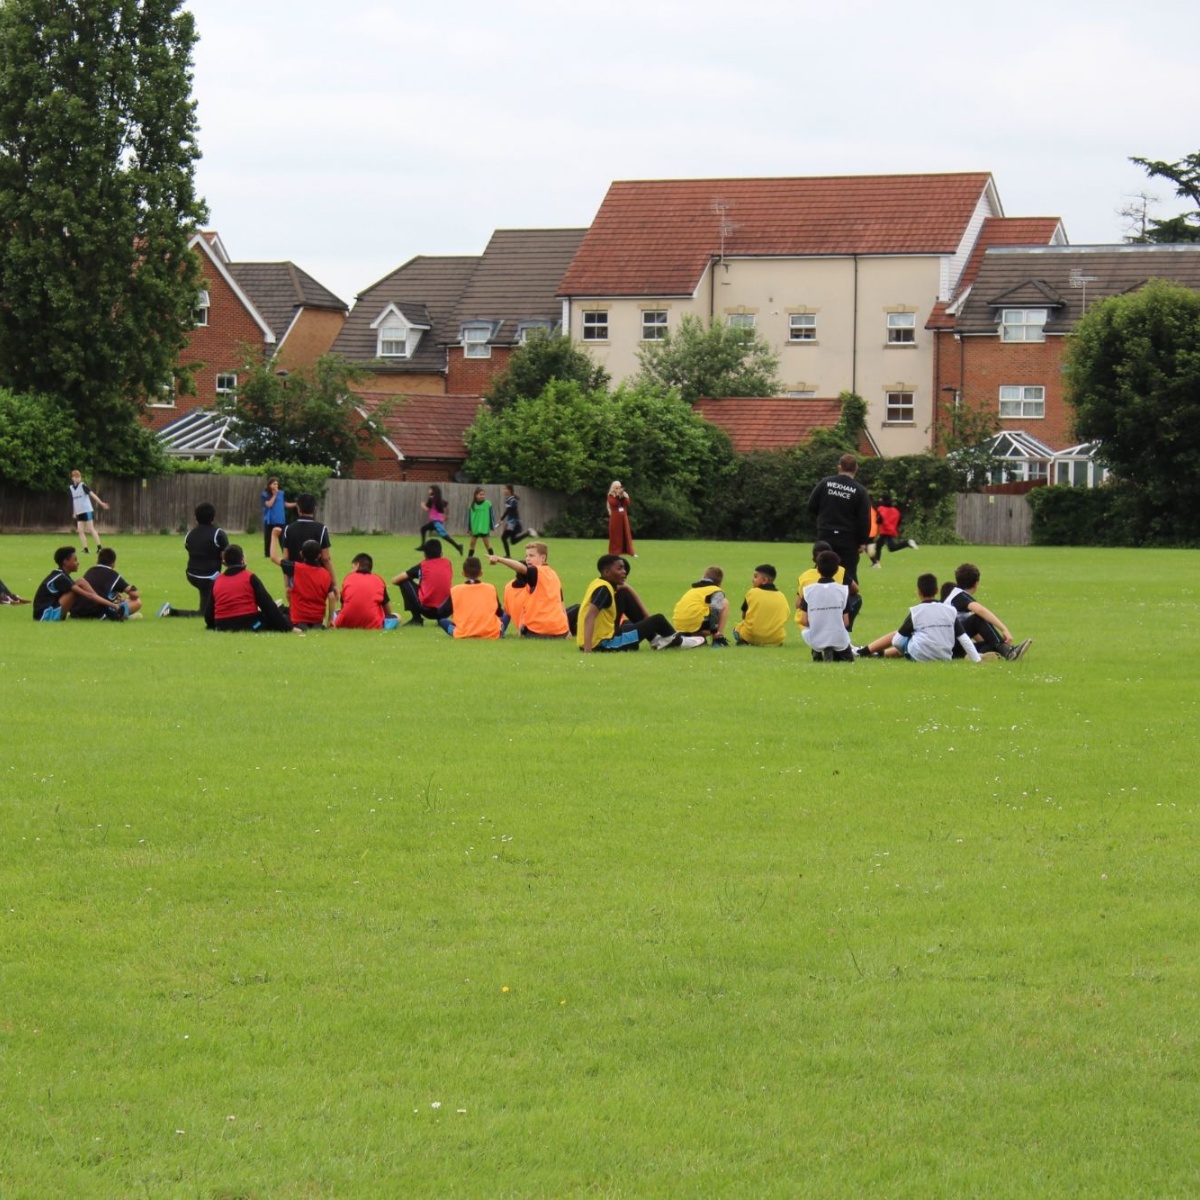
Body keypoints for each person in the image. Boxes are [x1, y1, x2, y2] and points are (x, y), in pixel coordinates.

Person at [576, 554, 703, 652]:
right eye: (619, 568)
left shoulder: (600, 583)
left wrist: (628, 588)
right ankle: (678, 641)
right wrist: (588, 650)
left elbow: (630, 598)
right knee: (658, 619)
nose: (624, 571)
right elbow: (589, 616)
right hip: (604, 644)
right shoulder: (603, 589)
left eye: (624, 569)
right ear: (607, 572)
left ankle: (656, 638)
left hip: (603, 637)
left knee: (624, 596)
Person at [856, 573, 982, 661]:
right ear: (937, 590)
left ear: (919, 592)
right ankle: (877, 654)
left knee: (902, 635)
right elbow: (964, 638)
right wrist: (977, 660)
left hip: (919, 656)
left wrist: (904, 650)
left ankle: (862, 652)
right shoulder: (950, 610)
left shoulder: (916, 612)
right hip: (945, 656)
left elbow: (896, 641)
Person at [943, 563, 1032, 660]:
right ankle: (1008, 652)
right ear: (976, 583)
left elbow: (970, 630)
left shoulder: (954, 596)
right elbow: (980, 610)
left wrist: (992, 641)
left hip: (952, 647)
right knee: (977, 617)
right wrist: (1004, 629)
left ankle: (982, 654)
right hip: (952, 644)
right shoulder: (960, 596)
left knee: (992, 643)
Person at [807, 454, 872, 586]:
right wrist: (862, 541)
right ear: (856, 468)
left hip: (825, 535)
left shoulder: (825, 483)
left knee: (822, 570)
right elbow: (864, 519)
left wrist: (823, 520)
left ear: (839, 467)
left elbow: (811, 506)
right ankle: (849, 604)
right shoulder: (860, 491)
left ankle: (819, 601)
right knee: (848, 574)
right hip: (848, 538)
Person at [159, 501, 229, 618]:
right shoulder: (218, 534)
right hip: (210, 576)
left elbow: (190, 549)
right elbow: (227, 558)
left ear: (196, 518)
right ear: (213, 517)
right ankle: (171, 612)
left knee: (208, 602)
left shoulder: (190, 534)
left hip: (192, 574)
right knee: (204, 612)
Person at [488, 542, 570, 638]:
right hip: (560, 631)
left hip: (537, 631)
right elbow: (561, 605)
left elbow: (522, 569)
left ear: (543, 558)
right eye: (526, 556)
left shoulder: (537, 572)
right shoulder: (554, 575)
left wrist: (499, 559)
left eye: (531, 555)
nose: (527, 558)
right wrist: (567, 630)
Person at [204, 544, 293, 632]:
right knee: (274, 618)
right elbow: (268, 606)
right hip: (251, 625)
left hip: (222, 626)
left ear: (225, 561)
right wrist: (287, 628)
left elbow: (209, 615)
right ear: (242, 559)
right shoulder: (249, 577)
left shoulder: (216, 581)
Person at [33, 546, 125, 621]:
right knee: (79, 585)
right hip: (45, 616)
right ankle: (108, 610)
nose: (78, 563)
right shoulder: (60, 578)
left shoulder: (61, 575)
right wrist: (114, 605)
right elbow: (89, 595)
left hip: (46, 612)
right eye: (75, 560)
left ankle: (106, 611)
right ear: (65, 562)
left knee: (80, 582)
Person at [269, 528, 335, 629]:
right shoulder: (325, 574)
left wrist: (274, 536)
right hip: (317, 621)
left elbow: (274, 557)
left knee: (276, 610)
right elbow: (331, 597)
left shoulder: (295, 568)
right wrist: (330, 620)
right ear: (319, 556)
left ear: (301, 554)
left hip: (297, 620)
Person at [798, 550, 854, 661]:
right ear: (837, 569)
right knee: (847, 659)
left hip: (816, 637)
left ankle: (817, 653)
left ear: (817, 569)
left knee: (809, 632)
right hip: (838, 637)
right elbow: (846, 622)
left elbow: (804, 620)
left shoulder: (808, 591)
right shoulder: (842, 591)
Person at [796, 540, 862, 631]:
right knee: (856, 598)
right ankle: (844, 631)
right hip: (834, 622)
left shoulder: (804, 576)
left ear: (814, 560)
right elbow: (855, 590)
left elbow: (798, 604)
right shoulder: (841, 571)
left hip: (809, 626)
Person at [437, 557, 503, 639]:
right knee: (505, 617)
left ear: (463, 573)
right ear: (481, 573)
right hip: (490, 632)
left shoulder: (456, 590)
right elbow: (499, 612)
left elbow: (441, 612)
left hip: (463, 632)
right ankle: (499, 631)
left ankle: (458, 631)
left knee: (443, 621)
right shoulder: (490, 588)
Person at [392, 539, 454, 626]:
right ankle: (442, 620)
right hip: (446, 610)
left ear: (425, 554)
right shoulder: (448, 563)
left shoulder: (423, 566)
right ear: (441, 553)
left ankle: (416, 618)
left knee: (404, 581)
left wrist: (419, 584)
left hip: (427, 610)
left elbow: (395, 580)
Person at [72, 547, 143, 619]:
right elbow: (135, 595)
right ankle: (125, 616)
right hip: (97, 612)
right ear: (113, 563)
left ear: (97, 561)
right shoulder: (113, 575)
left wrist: (115, 594)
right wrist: (129, 595)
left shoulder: (90, 571)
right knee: (137, 602)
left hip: (77, 611)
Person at [732, 564, 791, 647]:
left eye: (755, 577)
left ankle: (746, 641)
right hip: (777, 638)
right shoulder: (781, 596)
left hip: (752, 636)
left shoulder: (752, 593)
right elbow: (786, 615)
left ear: (764, 580)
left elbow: (744, 616)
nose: (752, 580)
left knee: (736, 630)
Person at [333, 553, 395, 630]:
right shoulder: (378, 580)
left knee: (335, 613)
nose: (351, 570)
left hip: (345, 623)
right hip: (373, 624)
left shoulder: (348, 578)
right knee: (397, 617)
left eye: (352, 568)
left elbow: (343, 606)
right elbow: (387, 608)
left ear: (357, 565)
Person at [280, 493, 334, 581]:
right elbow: (325, 558)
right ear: (314, 508)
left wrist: (287, 585)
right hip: (316, 576)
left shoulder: (288, 529)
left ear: (298, 508)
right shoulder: (321, 529)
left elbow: (286, 558)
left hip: (296, 577)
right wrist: (333, 583)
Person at [672, 566, 729, 646]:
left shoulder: (693, 590)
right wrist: (714, 630)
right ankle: (718, 639)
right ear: (719, 583)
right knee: (725, 602)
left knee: (703, 610)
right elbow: (715, 609)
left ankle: (695, 637)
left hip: (679, 626)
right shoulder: (716, 590)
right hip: (695, 624)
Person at [866, 495, 918, 568]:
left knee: (891, 548)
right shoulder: (895, 510)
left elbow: (879, 520)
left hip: (885, 531)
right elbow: (899, 520)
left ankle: (907, 542)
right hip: (891, 530)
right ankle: (876, 563)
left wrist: (877, 522)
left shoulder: (881, 509)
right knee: (878, 545)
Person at [68, 469, 109, 555]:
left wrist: (101, 503)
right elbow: (74, 501)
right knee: (80, 530)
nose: (78, 478)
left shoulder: (83, 486)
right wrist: (74, 512)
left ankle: (99, 548)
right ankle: (85, 549)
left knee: (91, 529)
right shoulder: (71, 488)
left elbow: (92, 494)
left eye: (79, 477)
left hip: (87, 510)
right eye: (76, 477)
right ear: (73, 478)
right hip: (80, 512)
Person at [417, 485, 463, 555]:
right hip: (436, 521)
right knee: (423, 529)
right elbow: (447, 506)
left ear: (433, 491)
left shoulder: (431, 499)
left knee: (444, 536)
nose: (428, 491)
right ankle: (423, 546)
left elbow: (427, 509)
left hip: (436, 522)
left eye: (429, 490)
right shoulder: (439, 499)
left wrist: (422, 505)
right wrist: (447, 516)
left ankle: (458, 546)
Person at [261, 476, 297, 558]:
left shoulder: (281, 493)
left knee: (282, 537)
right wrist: (274, 495)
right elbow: (269, 504)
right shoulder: (265, 494)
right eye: (274, 484)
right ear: (270, 485)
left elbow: (285, 504)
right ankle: (268, 554)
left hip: (280, 519)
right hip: (269, 519)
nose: (276, 486)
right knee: (268, 538)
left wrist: (296, 504)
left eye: (277, 484)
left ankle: (285, 553)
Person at [499, 484, 535, 557]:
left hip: (513, 522)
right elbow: (508, 510)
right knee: (513, 541)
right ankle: (528, 533)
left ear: (509, 490)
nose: (503, 490)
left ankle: (508, 555)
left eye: (505, 489)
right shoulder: (508, 499)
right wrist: (502, 519)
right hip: (512, 521)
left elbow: (512, 511)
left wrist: (510, 523)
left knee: (503, 537)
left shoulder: (513, 500)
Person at [465, 487, 497, 559]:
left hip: (484, 527)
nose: (482, 496)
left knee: (487, 544)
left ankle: (493, 559)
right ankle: (469, 559)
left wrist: (492, 526)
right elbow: (469, 517)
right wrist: (469, 528)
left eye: (483, 494)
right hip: (475, 528)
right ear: (476, 495)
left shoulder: (488, 503)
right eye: (480, 494)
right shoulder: (472, 505)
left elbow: (491, 516)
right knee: (472, 544)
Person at [607, 481, 636, 556]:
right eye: (617, 487)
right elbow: (614, 503)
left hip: (623, 516)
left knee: (626, 533)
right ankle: (615, 551)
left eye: (620, 487)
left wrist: (623, 496)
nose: (619, 489)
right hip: (615, 517)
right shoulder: (610, 496)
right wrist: (617, 496)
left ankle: (630, 551)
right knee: (615, 534)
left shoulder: (624, 494)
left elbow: (627, 503)